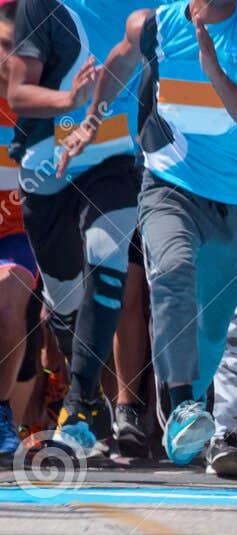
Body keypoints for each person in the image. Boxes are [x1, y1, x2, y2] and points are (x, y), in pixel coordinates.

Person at [64, 0, 237, 472]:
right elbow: (119, 65)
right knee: (173, 272)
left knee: (212, 330)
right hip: (168, 186)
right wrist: (90, 121)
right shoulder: (153, 25)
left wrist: (214, 70)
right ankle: (181, 402)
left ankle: (192, 410)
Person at [7, 0, 164, 454]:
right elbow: (18, 94)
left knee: (106, 259)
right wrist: (69, 101)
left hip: (118, 161)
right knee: (64, 304)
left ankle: (76, 408)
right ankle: (88, 396)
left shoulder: (153, 11)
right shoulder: (43, 7)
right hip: (47, 170)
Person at [0, 2, 31, 461]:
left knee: (7, 305)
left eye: (13, 47)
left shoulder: (37, 104)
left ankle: (2, 411)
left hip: (19, 232)